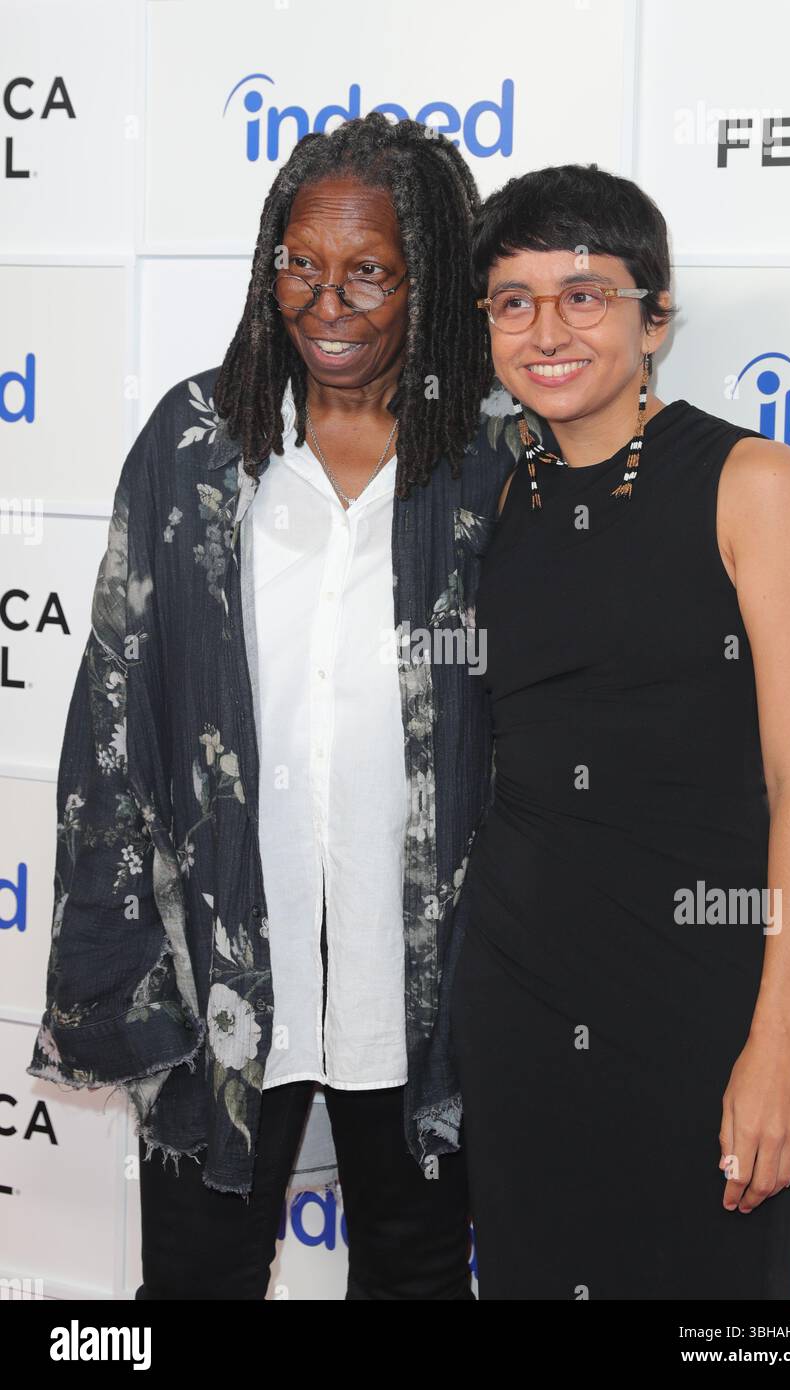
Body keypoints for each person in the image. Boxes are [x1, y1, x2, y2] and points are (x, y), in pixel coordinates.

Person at [27, 113, 512, 1300]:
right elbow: (111, 707)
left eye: (367, 273)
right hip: (222, 969)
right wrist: (118, 953)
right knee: (194, 1281)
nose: (325, 303)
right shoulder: (196, 442)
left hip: (430, 986)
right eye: (299, 263)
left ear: (431, 276)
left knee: (412, 1277)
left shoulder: (496, 463)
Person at [450, 162, 790, 1300]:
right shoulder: (498, 497)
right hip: (517, 997)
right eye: (512, 302)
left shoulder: (748, 481)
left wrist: (779, 1039)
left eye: (583, 294)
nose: (544, 330)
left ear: (653, 315)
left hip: (702, 1003)